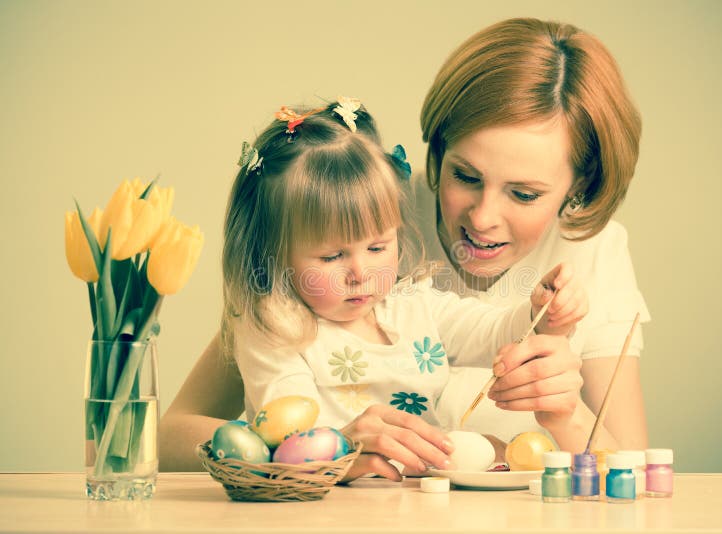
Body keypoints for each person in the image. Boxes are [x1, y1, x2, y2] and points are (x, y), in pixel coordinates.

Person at [160, 17, 649, 481]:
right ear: (436, 149)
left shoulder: (593, 251)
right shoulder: (356, 211)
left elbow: (633, 473)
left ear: (579, 184)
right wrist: (322, 454)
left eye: (524, 194)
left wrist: (565, 415)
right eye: (464, 175)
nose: (482, 218)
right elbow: (170, 437)